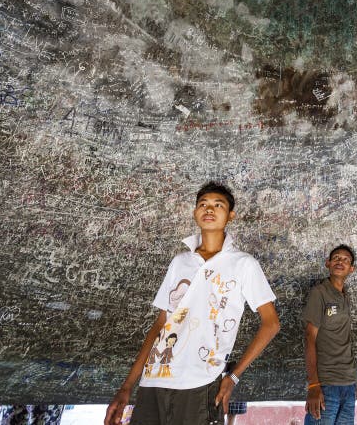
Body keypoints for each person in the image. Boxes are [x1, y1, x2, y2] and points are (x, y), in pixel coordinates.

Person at [104, 182, 280, 425]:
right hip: (154, 380)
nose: (209, 209)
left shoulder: (243, 264)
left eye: (218, 205)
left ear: (230, 216)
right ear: (195, 212)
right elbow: (160, 326)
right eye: (203, 204)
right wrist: (127, 387)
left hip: (201, 382)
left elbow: (271, 324)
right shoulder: (180, 262)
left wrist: (234, 377)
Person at [302, 244, 357, 425]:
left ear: (351, 269)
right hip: (325, 384)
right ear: (328, 264)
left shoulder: (345, 296)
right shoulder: (320, 293)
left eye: (345, 260)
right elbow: (310, 338)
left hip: (348, 384)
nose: (340, 261)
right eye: (336, 258)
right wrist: (313, 385)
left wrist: (351, 385)